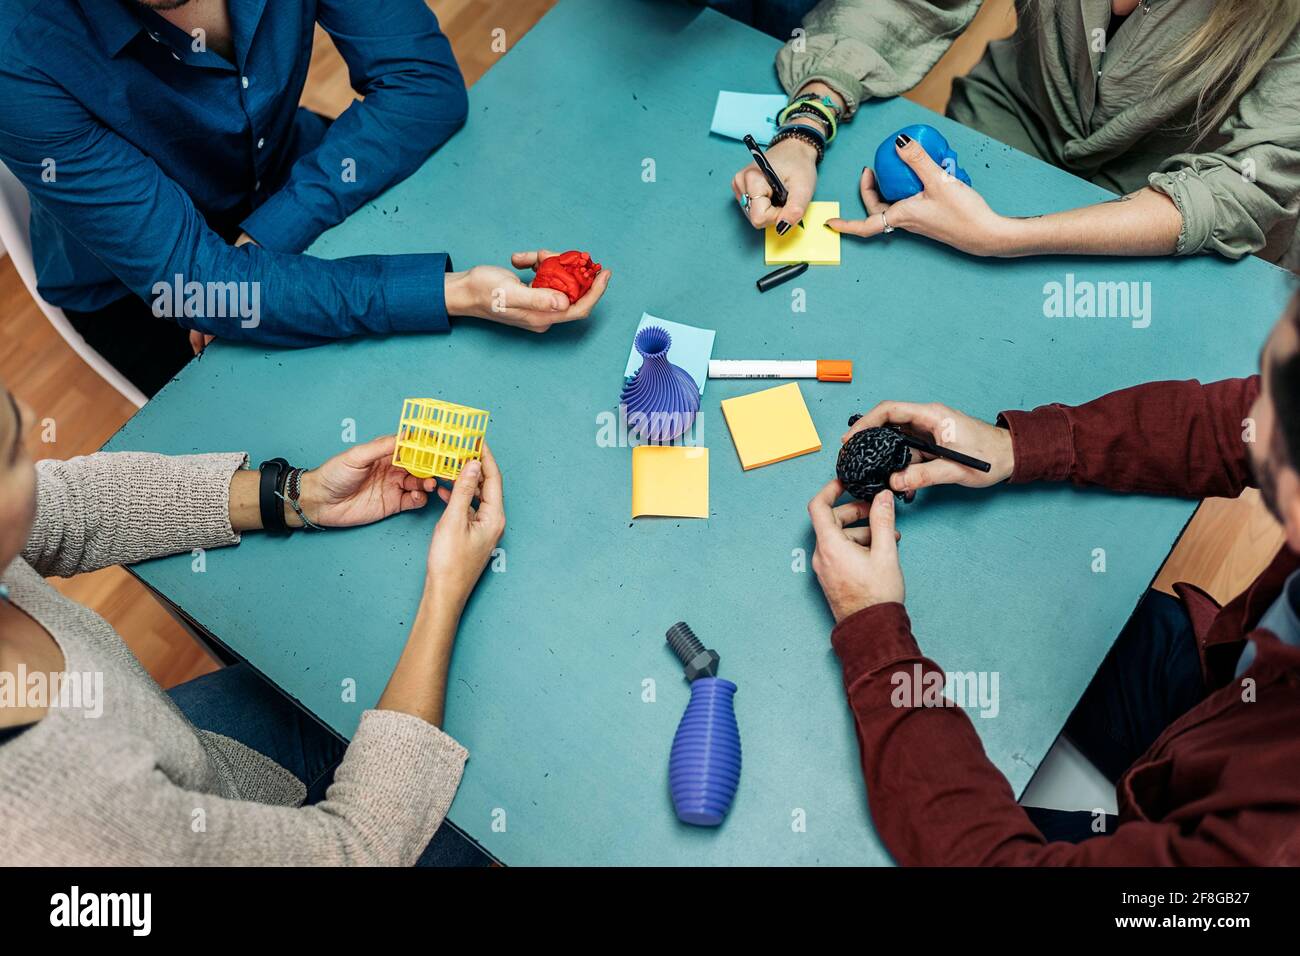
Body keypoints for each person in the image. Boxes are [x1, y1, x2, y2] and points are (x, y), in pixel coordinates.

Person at [806, 289, 1300, 864]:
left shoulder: (1269, 847)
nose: (1256, 422)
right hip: (1226, 695)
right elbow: (1230, 421)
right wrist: (1018, 446)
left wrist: (872, 631)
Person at [0, 381, 506, 865]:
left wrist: (298, 495)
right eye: (6, 456)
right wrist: (445, 589)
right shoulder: (66, 821)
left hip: (195, 756)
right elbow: (355, 852)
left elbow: (74, 503)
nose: (26, 417)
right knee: (494, 776)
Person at [0, 0, 612, 396]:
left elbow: (422, 83)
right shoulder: (16, 50)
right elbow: (197, 286)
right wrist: (453, 292)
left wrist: (268, 232)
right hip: (139, 289)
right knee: (331, 456)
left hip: (284, 175)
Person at [730, 0, 1300, 269]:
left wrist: (1005, 235)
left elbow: (1251, 183)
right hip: (1010, 118)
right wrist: (808, 124)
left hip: (1166, 207)